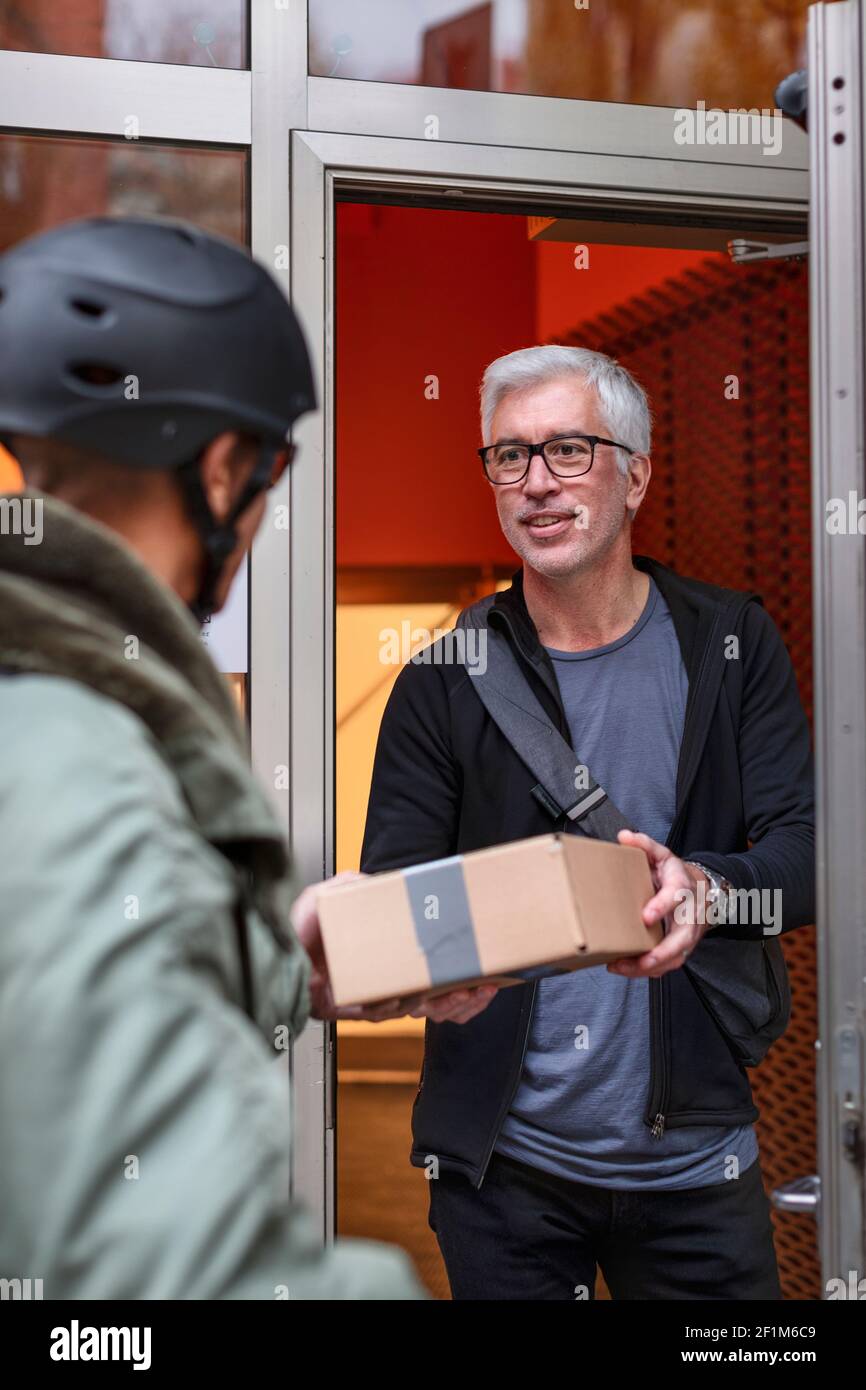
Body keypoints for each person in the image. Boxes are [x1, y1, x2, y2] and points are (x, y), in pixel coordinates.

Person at [0, 215, 448, 1299]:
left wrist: (270, 960)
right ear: (219, 469)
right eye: (272, 468)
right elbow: (175, 1285)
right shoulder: (81, 765)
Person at [361, 344, 815, 1301]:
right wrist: (428, 969)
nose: (536, 483)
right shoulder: (441, 680)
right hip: (505, 1176)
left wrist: (708, 889)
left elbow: (808, 859)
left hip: (700, 1169)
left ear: (637, 473)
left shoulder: (731, 643)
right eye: (509, 457)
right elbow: (399, 897)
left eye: (569, 450)